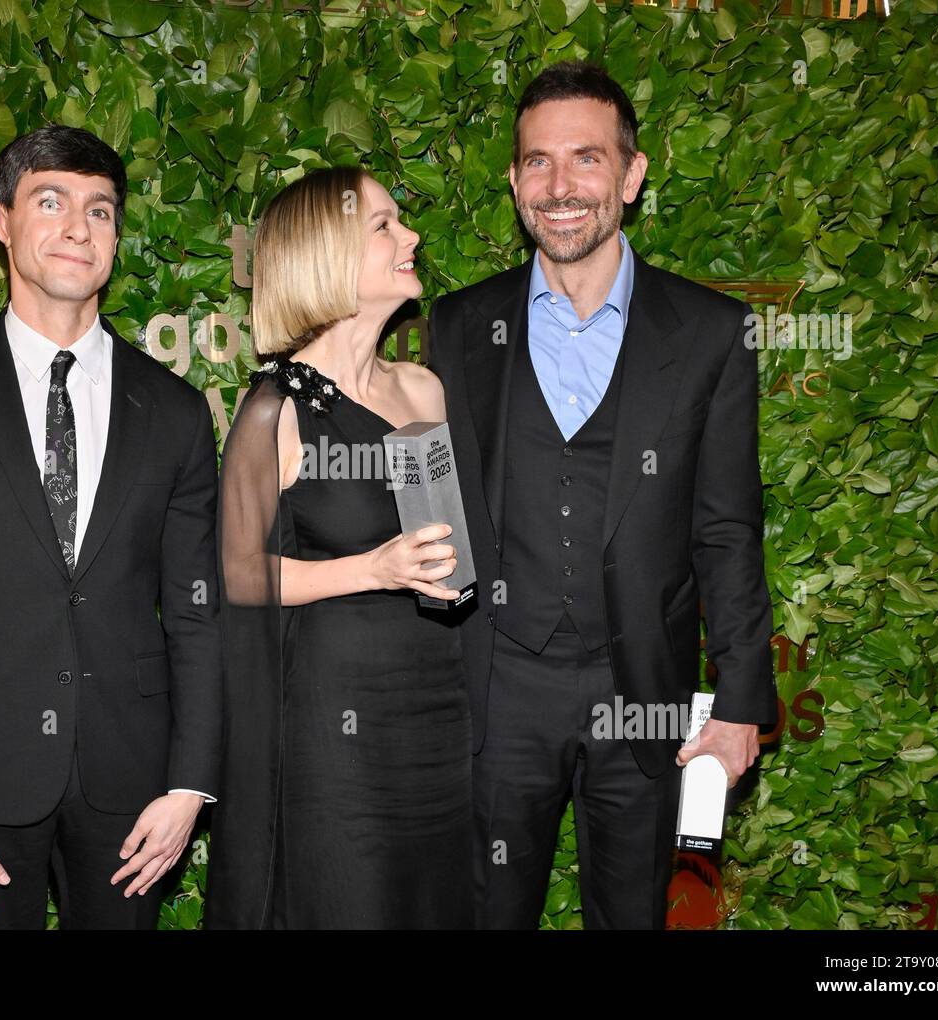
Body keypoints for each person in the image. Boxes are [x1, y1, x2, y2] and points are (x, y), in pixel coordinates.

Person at [426, 61, 778, 929]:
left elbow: (728, 526)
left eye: (586, 159)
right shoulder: (458, 327)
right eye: (537, 163)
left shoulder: (708, 334)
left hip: (643, 692)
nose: (560, 187)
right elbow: (432, 515)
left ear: (631, 173)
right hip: (496, 692)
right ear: (513, 182)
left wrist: (741, 701)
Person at [0, 125, 222, 930]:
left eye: (100, 211)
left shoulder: (173, 410)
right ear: (2, 220)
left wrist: (189, 787)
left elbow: (198, 613)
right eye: (50, 201)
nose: (76, 228)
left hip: (133, 789)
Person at [205, 166, 473, 929]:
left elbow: (442, 549)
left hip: (438, 707)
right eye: (384, 225)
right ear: (324, 254)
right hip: (336, 720)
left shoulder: (423, 391)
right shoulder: (273, 410)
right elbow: (237, 574)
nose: (411, 236)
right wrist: (373, 569)